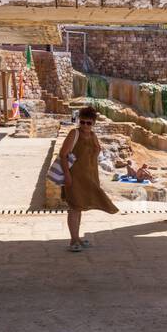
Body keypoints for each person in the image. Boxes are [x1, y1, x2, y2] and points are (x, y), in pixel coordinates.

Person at [58, 106, 119, 252]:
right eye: (83, 122)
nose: (85, 125)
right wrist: (67, 175)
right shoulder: (74, 133)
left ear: (93, 123)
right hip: (74, 177)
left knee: (79, 207)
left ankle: (77, 237)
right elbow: (63, 154)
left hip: (88, 176)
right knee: (74, 208)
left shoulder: (92, 135)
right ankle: (73, 240)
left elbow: (97, 150)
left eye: (88, 123)